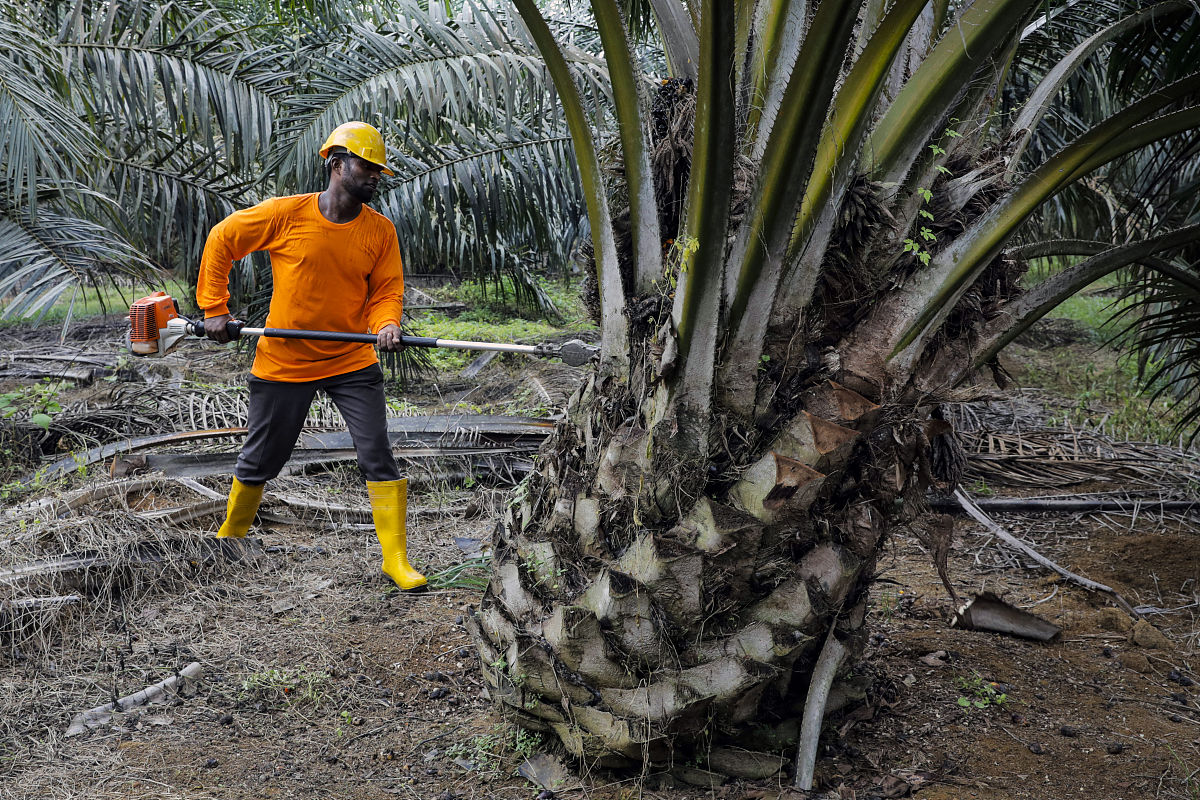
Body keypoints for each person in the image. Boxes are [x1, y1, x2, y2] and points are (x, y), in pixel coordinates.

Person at [196, 120, 426, 591]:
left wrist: (385, 324)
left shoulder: (380, 232)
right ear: (337, 165)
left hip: (351, 359)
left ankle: (395, 559)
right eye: (367, 167)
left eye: (379, 170)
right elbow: (222, 239)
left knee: (377, 453)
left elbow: (386, 290)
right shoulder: (286, 215)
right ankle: (232, 536)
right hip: (286, 359)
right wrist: (214, 309)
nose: (375, 176)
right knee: (263, 456)